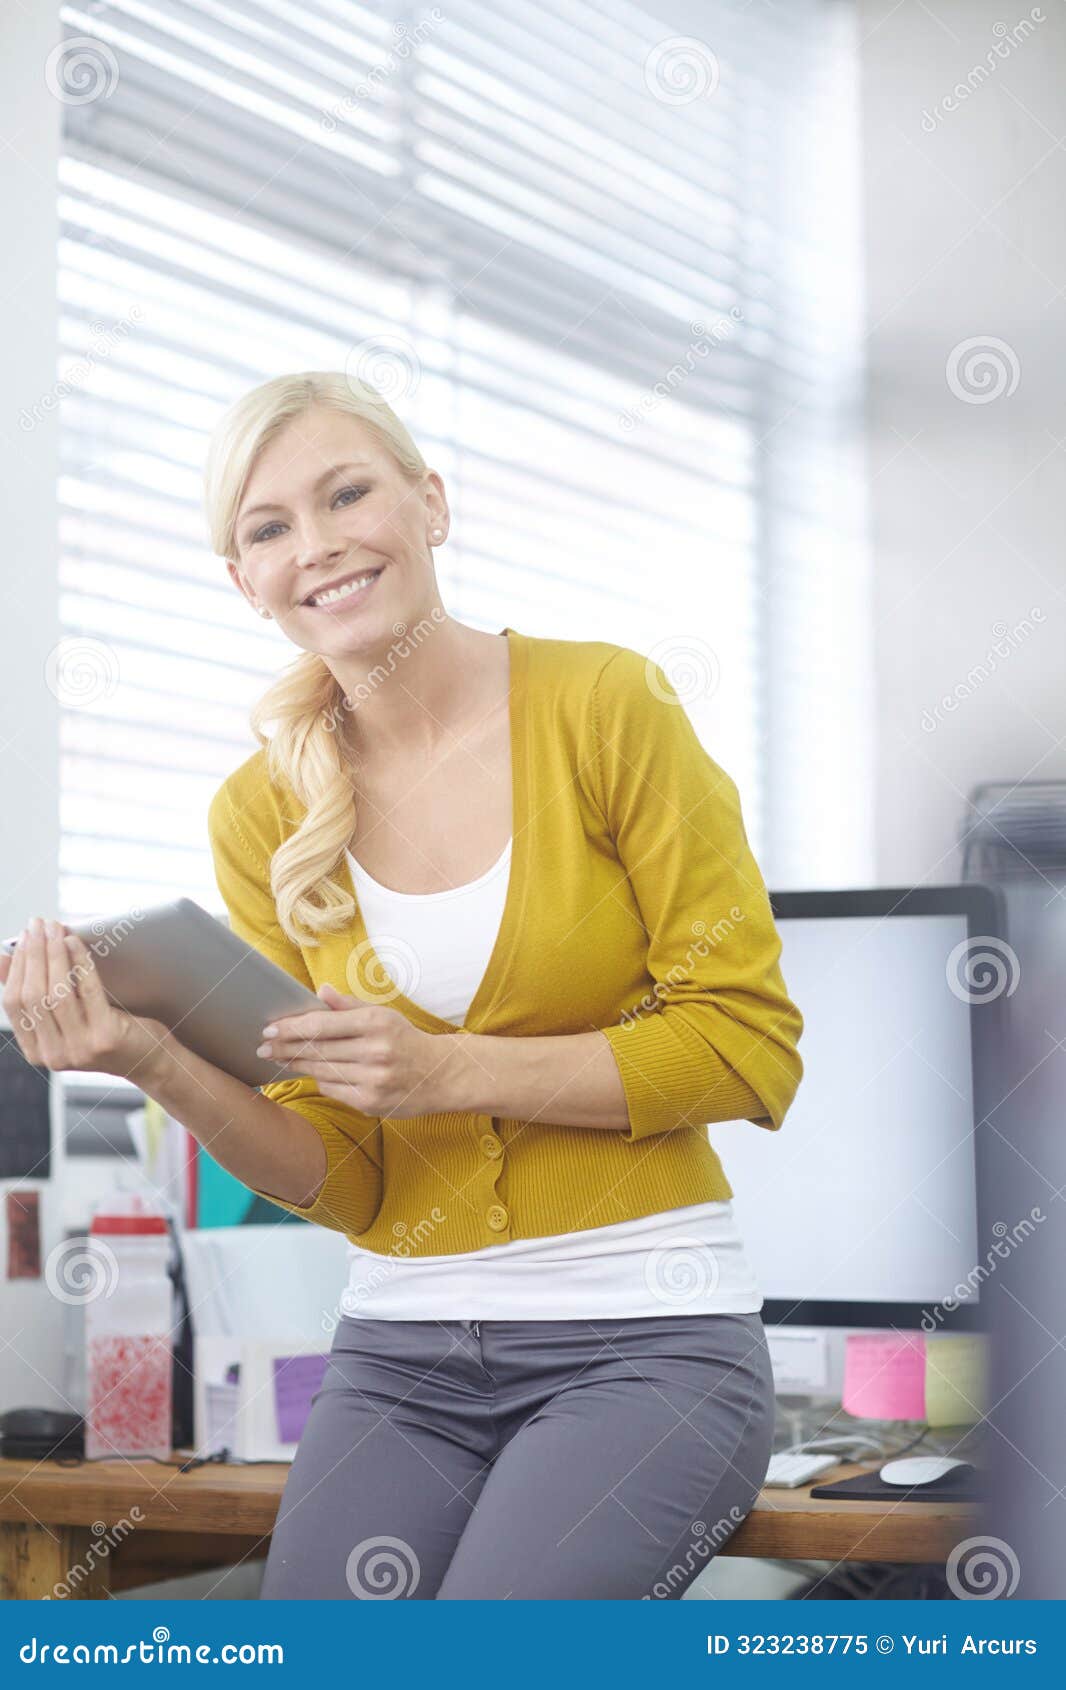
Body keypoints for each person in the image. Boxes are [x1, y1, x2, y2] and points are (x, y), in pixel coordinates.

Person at [1, 370, 804, 1601]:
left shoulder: (605, 706)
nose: (315, 546)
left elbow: (749, 1046)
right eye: (268, 528)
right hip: (398, 1354)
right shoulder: (260, 810)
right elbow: (354, 1179)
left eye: (346, 494)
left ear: (429, 502)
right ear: (242, 580)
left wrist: (451, 1069)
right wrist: (155, 1058)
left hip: (645, 1339)